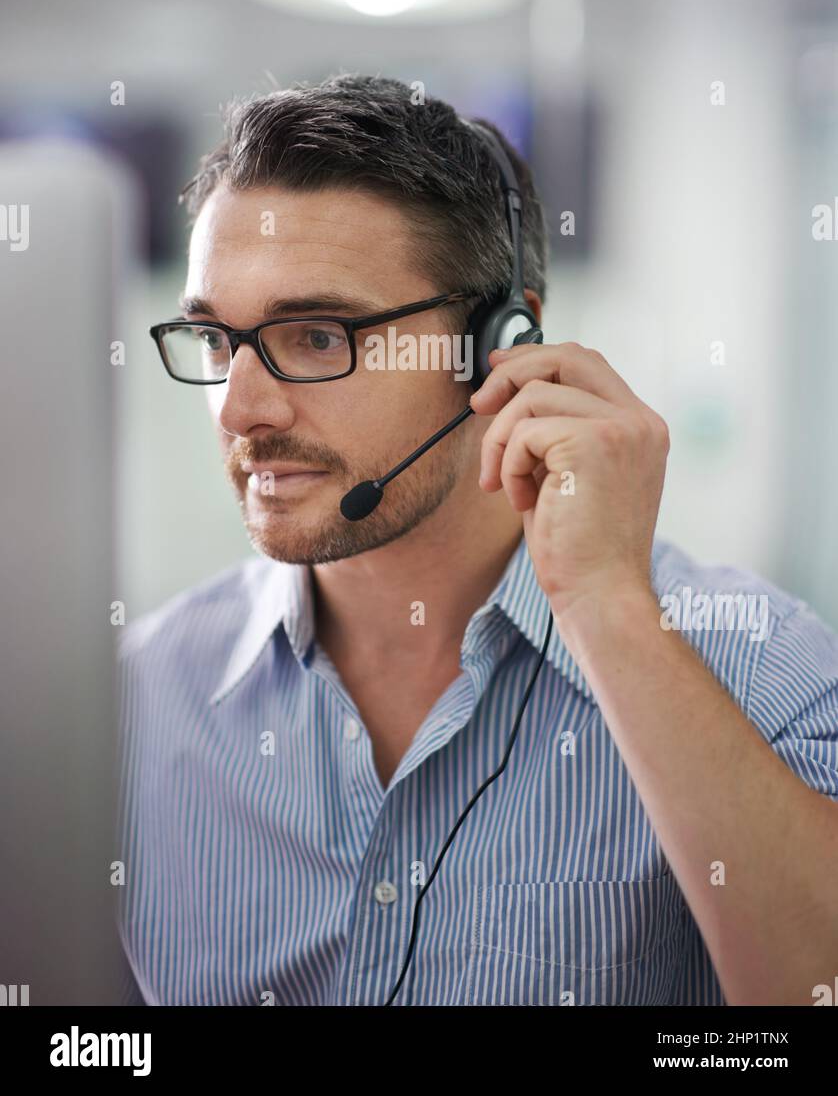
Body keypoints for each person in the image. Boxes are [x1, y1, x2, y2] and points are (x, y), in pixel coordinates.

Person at [117, 72, 838, 1007]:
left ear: (500, 343)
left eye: (318, 336)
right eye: (217, 341)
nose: (241, 410)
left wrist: (607, 613)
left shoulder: (761, 666)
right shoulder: (135, 701)